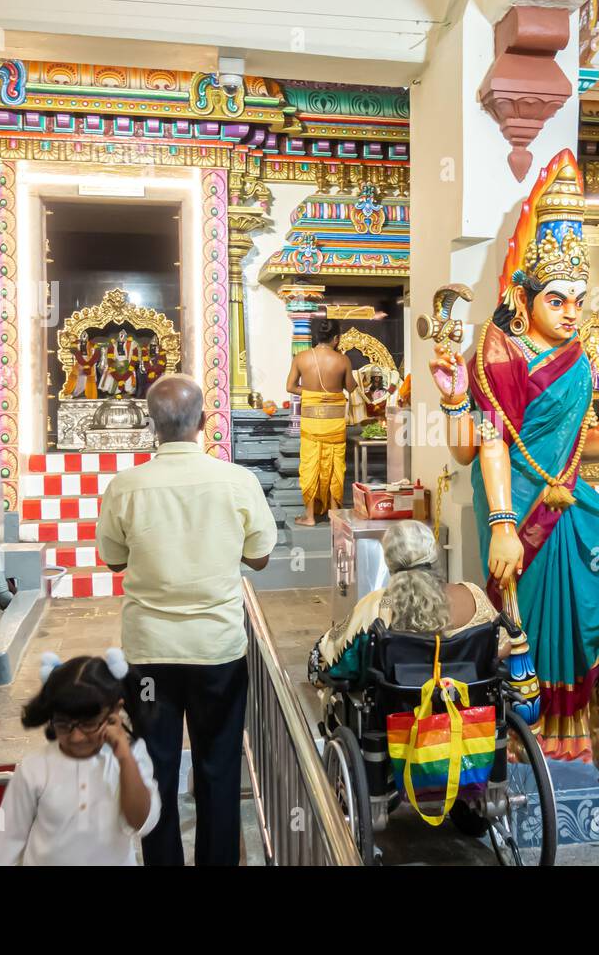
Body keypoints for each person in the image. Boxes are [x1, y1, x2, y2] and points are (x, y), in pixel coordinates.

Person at [428, 151, 599, 760]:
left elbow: (582, 444)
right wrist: (503, 523)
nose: (572, 312)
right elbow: (479, 446)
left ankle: (585, 712)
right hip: (516, 501)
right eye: (558, 300)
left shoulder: (582, 363)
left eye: (580, 301)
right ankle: (524, 734)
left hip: (569, 494)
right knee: (527, 619)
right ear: (524, 296)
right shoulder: (499, 353)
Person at [95, 374, 276, 865]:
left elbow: (113, 560)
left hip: (149, 659)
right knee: (218, 766)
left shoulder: (125, 486)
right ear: (203, 422)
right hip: (215, 652)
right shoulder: (236, 480)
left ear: (150, 425)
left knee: (155, 765)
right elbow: (259, 556)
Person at [0, 651, 160, 865]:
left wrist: (124, 757)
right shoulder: (35, 768)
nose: (76, 737)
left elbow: (139, 822)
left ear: (115, 711)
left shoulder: (132, 756)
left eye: (88, 724)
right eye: (63, 724)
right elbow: (7, 837)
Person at [310, 520, 506, 685]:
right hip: (469, 709)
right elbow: (506, 645)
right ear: (434, 554)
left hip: (399, 713)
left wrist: (316, 660)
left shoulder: (379, 603)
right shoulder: (472, 594)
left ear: (389, 560)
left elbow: (335, 660)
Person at [286, 318, 357, 527]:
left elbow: (290, 387)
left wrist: (311, 393)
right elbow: (351, 387)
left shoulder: (301, 357)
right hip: (333, 421)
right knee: (336, 464)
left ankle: (309, 517)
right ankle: (335, 514)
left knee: (310, 464)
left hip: (311, 421)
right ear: (336, 338)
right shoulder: (342, 360)